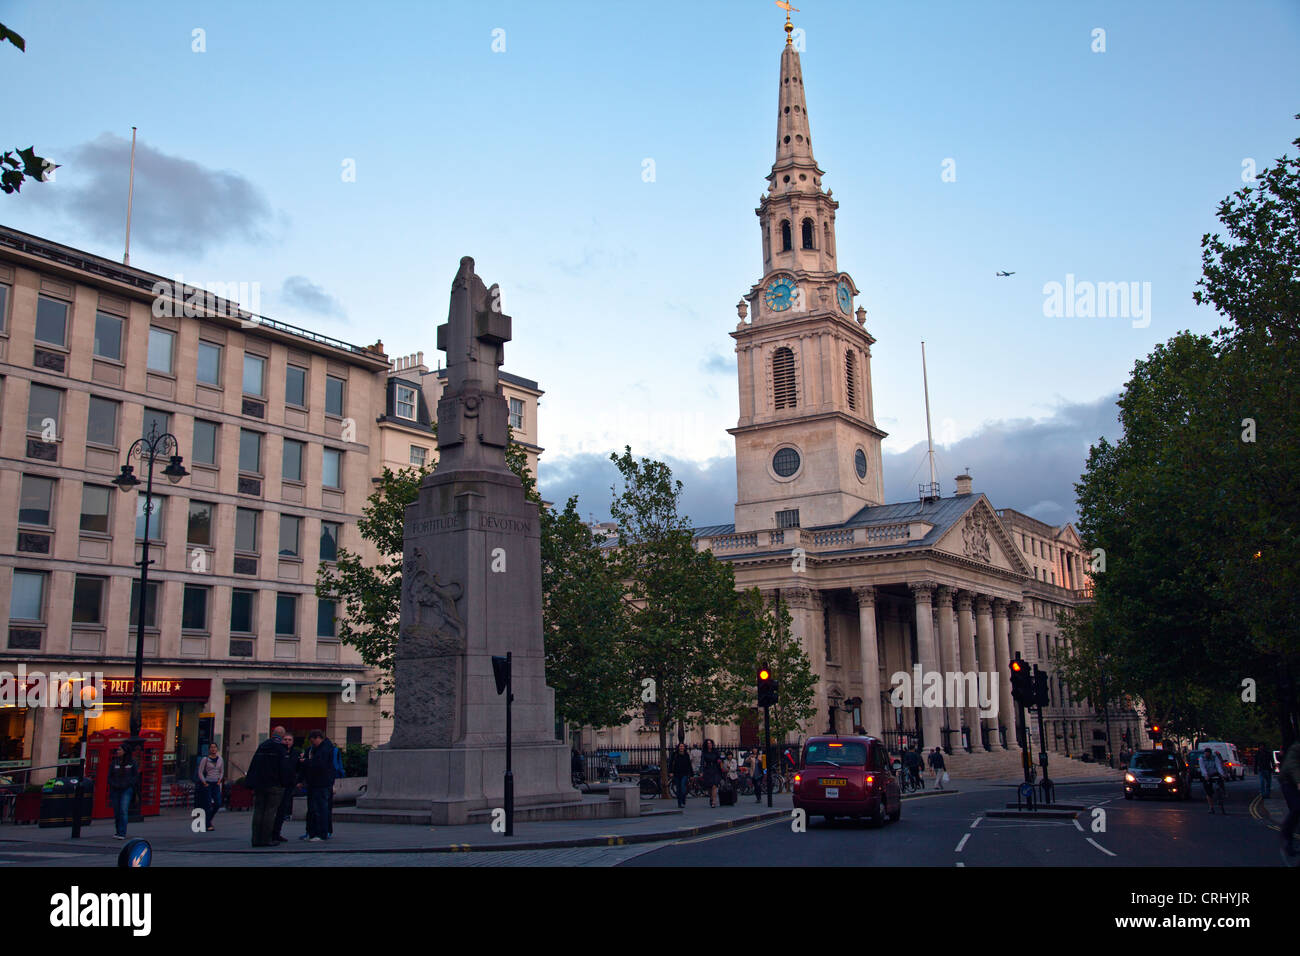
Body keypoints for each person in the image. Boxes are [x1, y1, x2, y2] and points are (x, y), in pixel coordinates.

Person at [246, 726, 290, 847]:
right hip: (274, 784)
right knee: (270, 811)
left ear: (272, 733)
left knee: (259, 810)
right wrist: (285, 782)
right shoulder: (281, 748)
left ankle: (255, 839)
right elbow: (283, 768)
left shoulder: (262, 746)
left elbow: (254, 765)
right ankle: (266, 839)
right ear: (282, 735)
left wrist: (251, 782)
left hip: (260, 784)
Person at [302, 729, 337, 841]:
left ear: (318, 738)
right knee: (317, 808)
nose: (312, 744)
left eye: (313, 741)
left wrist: (306, 761)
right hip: (318, 782)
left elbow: (319, 764)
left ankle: (321, 833)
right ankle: (316, 832)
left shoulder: (324, 749)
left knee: (320, 808)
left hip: (321, 783)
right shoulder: (323, 748)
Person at [272, 733, 301, 844]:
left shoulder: (296, 753)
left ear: (293, 742)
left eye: (290, 740)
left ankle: (277, 833)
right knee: (274, 810)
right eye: (285, 739)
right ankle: (270, 833)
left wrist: (298, 781)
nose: (287, 741)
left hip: (289, 785)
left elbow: (298, 768)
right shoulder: (278, 752)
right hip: (277, 785)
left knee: (282, 810)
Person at [107, 745, 140, 840]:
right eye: (117, 749)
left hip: (126, 789)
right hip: (115, 789)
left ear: (125, 751)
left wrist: (129, 784)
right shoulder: (114, 763)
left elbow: (135, 776)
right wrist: (113, 784)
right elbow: (110, 776)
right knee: (117, 811)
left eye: (119, 750)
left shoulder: (131, 763)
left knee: (123, 810)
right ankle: (118, 831)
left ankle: (122, 832)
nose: (117, 751)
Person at [1279, 739, 1300, 866]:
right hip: (1289, 782)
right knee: (1297, 808)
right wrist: (1299, 781)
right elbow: (1294, 767)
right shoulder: (1296, 749)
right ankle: (1287, 834)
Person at [195, 743, 224, 831]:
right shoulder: (205, 759)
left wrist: (220, 779)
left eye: (215, 747)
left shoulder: (220, 759)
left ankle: (208, 820)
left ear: (217, 749)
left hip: (216, 783)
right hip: (208, 783)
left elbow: (221, 771)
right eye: (211, 747)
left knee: (218, 803)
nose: (213, 749)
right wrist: (204, 782)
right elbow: (200, 772)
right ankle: (208, 824)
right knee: (207, 804)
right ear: (209, 750)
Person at [1198, 747, 1228, 814]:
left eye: (1208, 754)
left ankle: (1222, 793)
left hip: (1214, 773)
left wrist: (1222, 774)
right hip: (1207, 775)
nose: (1207, 755)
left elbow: (1218, 766)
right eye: (1206, 754)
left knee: (1220, 782)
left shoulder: (1214, 758)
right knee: (1209, 792)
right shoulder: (1201, 758)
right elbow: (1202, 768)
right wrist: (1205, 775)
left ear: (1210, 753)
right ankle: (1211, 807)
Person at [700, 739, 723, 808]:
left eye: (710, 743)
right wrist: (701, 771)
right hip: (708, 769)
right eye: (708, 743)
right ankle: (711, 797)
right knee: (709, 786)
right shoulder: (704, 752)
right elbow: (702, 762)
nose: (709, 745)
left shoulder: (715, 751)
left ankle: (714, 801)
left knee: (714, 785)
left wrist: (719, 761)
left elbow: (719, 758)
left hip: (715, 769)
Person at [669, 743, 693, 808]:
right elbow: (671, 763)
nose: (681, 748)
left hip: (684, 773)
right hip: (676, 773)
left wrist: (691, 774)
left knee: (683, 787)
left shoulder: (686, 755)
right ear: (678, 747)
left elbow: (689, 765)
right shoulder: (675, 754)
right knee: (678, 789)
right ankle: (679, 803)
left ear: (684, 747)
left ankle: (683, 800)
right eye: (680, 746)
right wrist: (670, 772)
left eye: (682, 746)